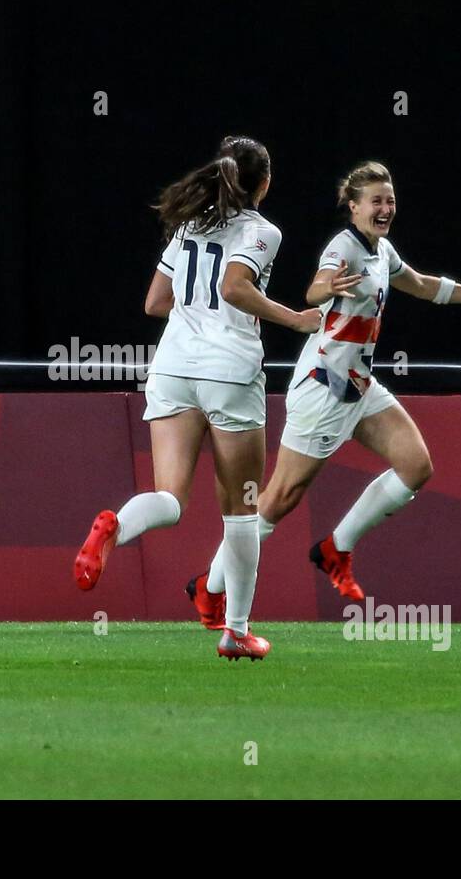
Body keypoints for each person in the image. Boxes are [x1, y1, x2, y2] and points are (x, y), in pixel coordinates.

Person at [189, 161, 461, 628]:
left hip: (358, 384)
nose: (385, 208)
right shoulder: (343, 247)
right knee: (276, 501)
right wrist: (324, 287)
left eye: (390, 200)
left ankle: (336, 548)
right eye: (376, 201)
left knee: (416, 466)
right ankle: (209, 589)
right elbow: (314, 289)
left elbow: (424, 285)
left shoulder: (382, 250)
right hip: (323, 388)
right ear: (353, 207)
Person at [73, 136, 322, 661]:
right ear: (265, 183)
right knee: (241, 511)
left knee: (169, 498)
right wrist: (295, 319)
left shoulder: (190, 224)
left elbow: (155, 302)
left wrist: (195, 317)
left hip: (171, 367)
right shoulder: (262, 230)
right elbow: (234, 288)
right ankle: (235, 631)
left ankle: (117, 524)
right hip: (228, 373)